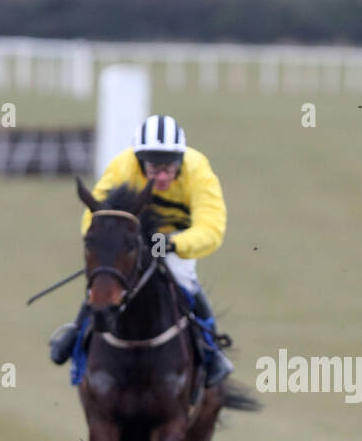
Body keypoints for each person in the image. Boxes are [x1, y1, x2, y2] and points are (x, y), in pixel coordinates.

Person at [49, 114, 233, 386]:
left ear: (180, 162)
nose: (160, 176)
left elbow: (212, 229)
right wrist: (108, 243)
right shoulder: (123, 166)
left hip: (175, 237)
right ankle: (76, 333)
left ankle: (211, 350)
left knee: (184, 279)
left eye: (168, 168)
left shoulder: (198, 171)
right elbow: (94, 215)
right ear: (139, 161)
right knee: (106, 278)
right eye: (153, 167)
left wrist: (172, 244)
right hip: (130, 237)